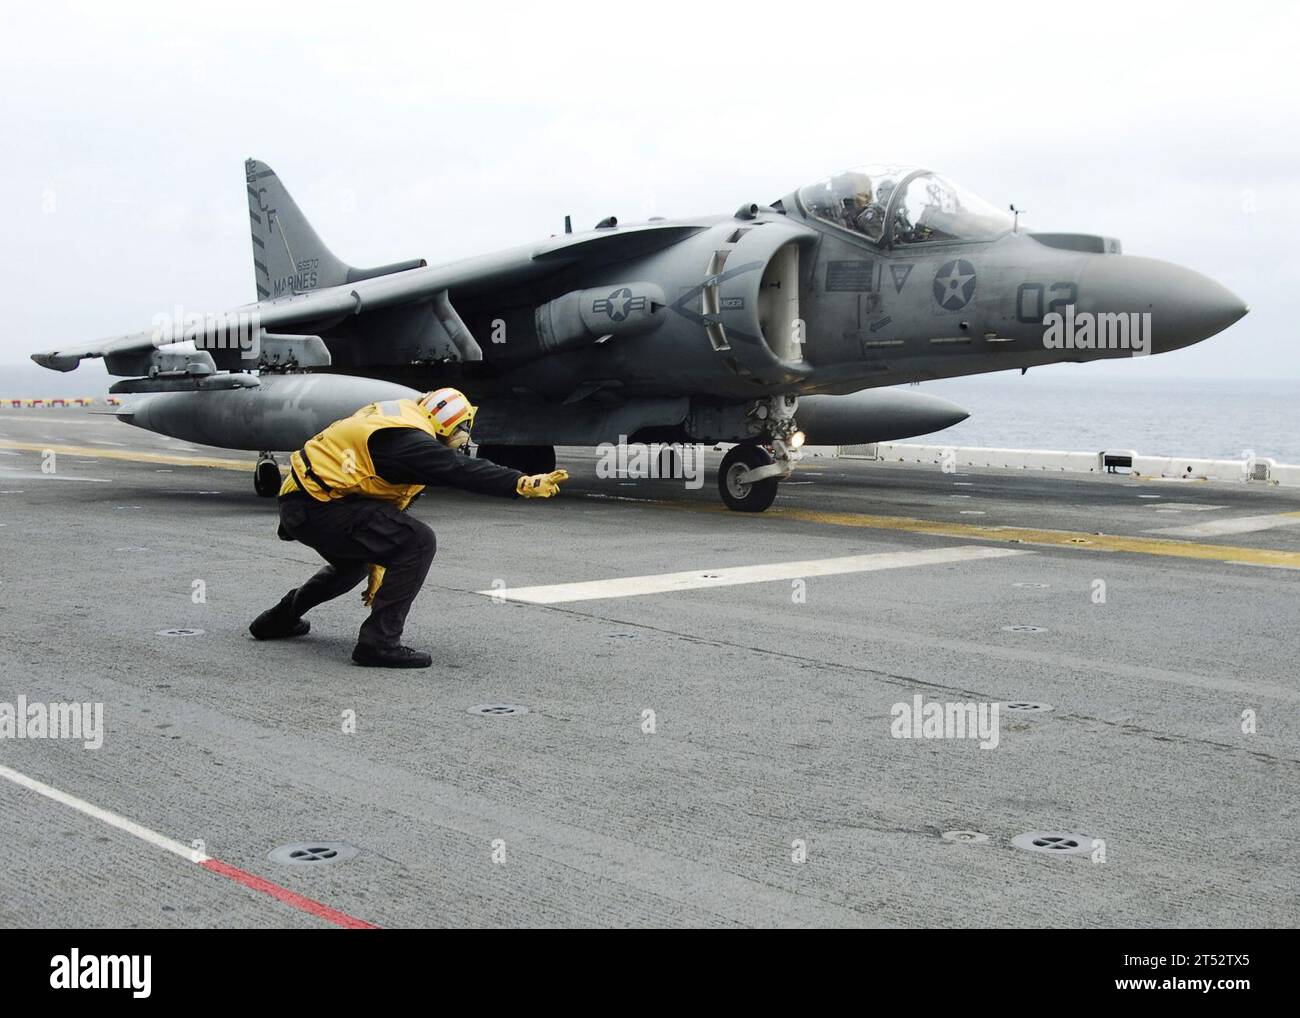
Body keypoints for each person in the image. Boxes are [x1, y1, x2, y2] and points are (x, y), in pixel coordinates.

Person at [248, 387, 567, 668]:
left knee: (353, 565)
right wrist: (520, 482)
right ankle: (378, 644)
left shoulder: (400, 417)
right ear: (450, 425)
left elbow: (376, 495)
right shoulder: (410, 440)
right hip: (318, 505)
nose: (460, 441)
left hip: (302, 503)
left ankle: (279, 619)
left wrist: (376, 558)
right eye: (461, 432)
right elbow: (459, 469)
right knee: (418, 542)